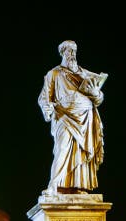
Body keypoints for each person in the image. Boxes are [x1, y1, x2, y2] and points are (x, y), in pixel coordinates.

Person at [38, 40, 106, 195]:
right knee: (62, 149)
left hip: (85, 118)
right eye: (68, 51)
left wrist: (96, 94)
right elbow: (44, 97)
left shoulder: (86, 74)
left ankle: (79, 186)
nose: (72, 54)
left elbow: (99, 97)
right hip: (64, 117)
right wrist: (47, 108)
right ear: (62, 53)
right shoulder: (54, 74)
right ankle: (53, 186)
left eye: (74, 51)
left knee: (82, 152)